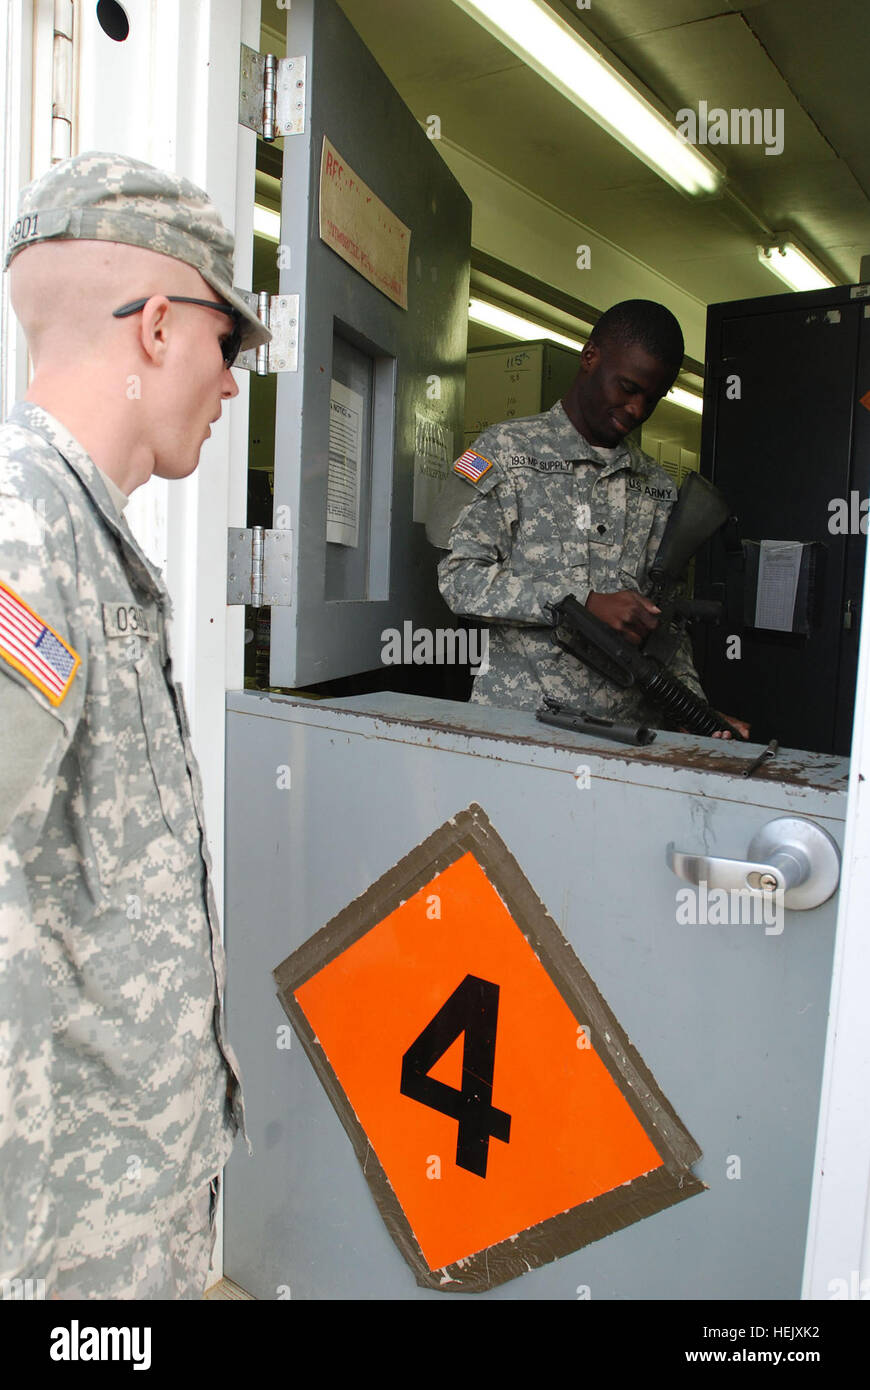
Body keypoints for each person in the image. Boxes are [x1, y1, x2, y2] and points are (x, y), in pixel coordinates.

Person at [0, 151, 270, 1299]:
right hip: (60, 1233)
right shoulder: (24, 529)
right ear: (158, 327)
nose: (231, 383)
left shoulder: (77, 532)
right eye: (228, 346)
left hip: (117, 1204)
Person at [438, 300, 745, 736]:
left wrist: (699, 715)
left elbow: (668, 632)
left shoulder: (657, 487)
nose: (637, 409)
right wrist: (582, 602)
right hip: (522, 727)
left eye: (652, 399)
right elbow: (459, 580)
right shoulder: (505, 451)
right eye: (627, 387)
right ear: (590, 357)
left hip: (631, 737)